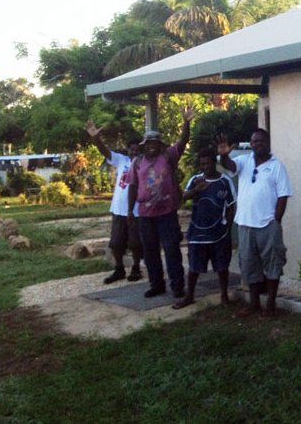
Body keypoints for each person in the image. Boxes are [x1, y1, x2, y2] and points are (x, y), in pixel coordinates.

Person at [217, 128, 293, 316]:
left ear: (268, 142)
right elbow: (230, 167)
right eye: (254, 141)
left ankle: (271, 305)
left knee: (273, 264)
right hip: (245, 223)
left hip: (268, 225)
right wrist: (224, 156)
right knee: (248, 264)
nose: (257, 144)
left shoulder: (277, 166)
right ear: (250, 144)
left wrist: (276, 221)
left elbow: (283, 196)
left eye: (260, 141)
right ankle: (254, 303)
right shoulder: (244, 161)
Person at [127, 107, 194, 298]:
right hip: (145, 216)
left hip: (167, 213)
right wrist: (130, 211)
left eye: (155, 143)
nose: (151, 146)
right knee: (150, 252)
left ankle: (177, 286)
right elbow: (132, 186)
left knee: (172, 250)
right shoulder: (137, 162)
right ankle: (156, 285)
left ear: (160, 145)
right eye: (148, 143)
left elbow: (182, 142)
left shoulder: (168, 156)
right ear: (144, 145)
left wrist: (186, 123)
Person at [173, 147, 236, 309]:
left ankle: (224, 295)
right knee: (194, 268)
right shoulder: (195, 180)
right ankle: (189, 296)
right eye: (202, 164)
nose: (205, 167)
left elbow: (231, 206)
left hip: (219, 233)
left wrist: (227, 227)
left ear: (214, 163)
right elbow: (182, 198)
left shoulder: (225, 181)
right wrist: (196, 190)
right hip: (197, 233)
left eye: (208, 163)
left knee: (222, 267)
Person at [85, 120, 143, 285]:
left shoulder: (144, 163)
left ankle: (136, 268)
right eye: (131, 149)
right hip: (118, 210)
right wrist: (96, 138)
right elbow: (104, 151)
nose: (134, 152)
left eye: (137, 150)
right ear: (128, 150)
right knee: (116, 242)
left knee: (135, 242)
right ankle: (119, 269)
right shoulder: (122, 160)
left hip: (137, 211)